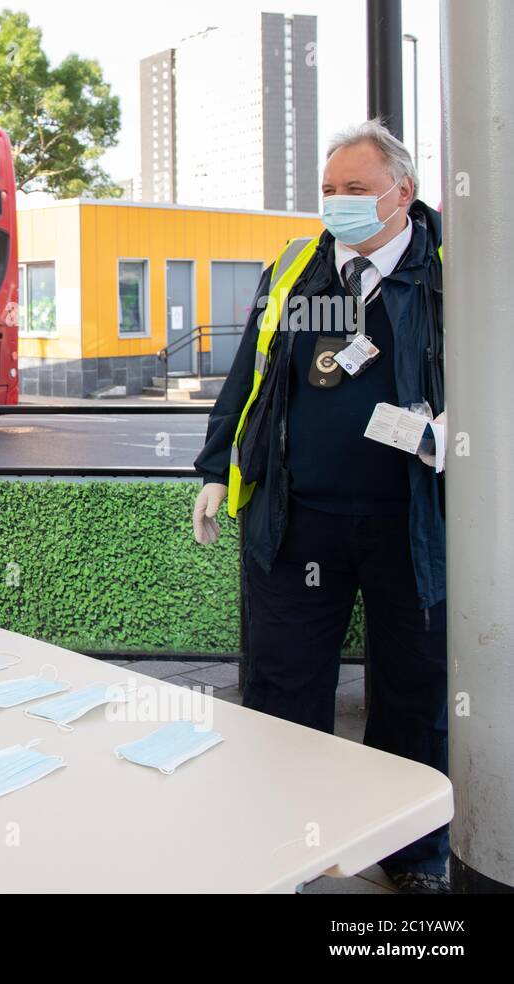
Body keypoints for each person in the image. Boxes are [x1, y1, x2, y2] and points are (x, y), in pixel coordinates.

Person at [192, 121, 448, 893]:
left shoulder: (451, 272)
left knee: (414, 689)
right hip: (296, 516)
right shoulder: (299, 267)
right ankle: (285, 846)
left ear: (402, 192)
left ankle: (414, 854)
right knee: (282, 686)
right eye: (329, 191)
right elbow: (251, 376)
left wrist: (453, 435)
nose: (338, 205)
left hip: (414, 523)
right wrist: (213, 469)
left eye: (357, 190)